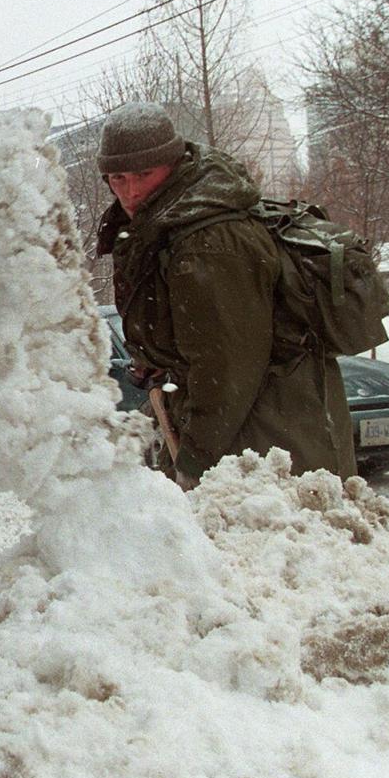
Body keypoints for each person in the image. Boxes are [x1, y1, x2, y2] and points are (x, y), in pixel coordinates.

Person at [94, 100, 355, 490]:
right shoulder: (172, 225)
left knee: (259, 546)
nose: (130, 192)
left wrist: (196, 460)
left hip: (267, 437)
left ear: (174, 164)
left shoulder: (210, 240)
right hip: (241, 429)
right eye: (117, 178)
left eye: (143, 174)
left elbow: (227, 366)